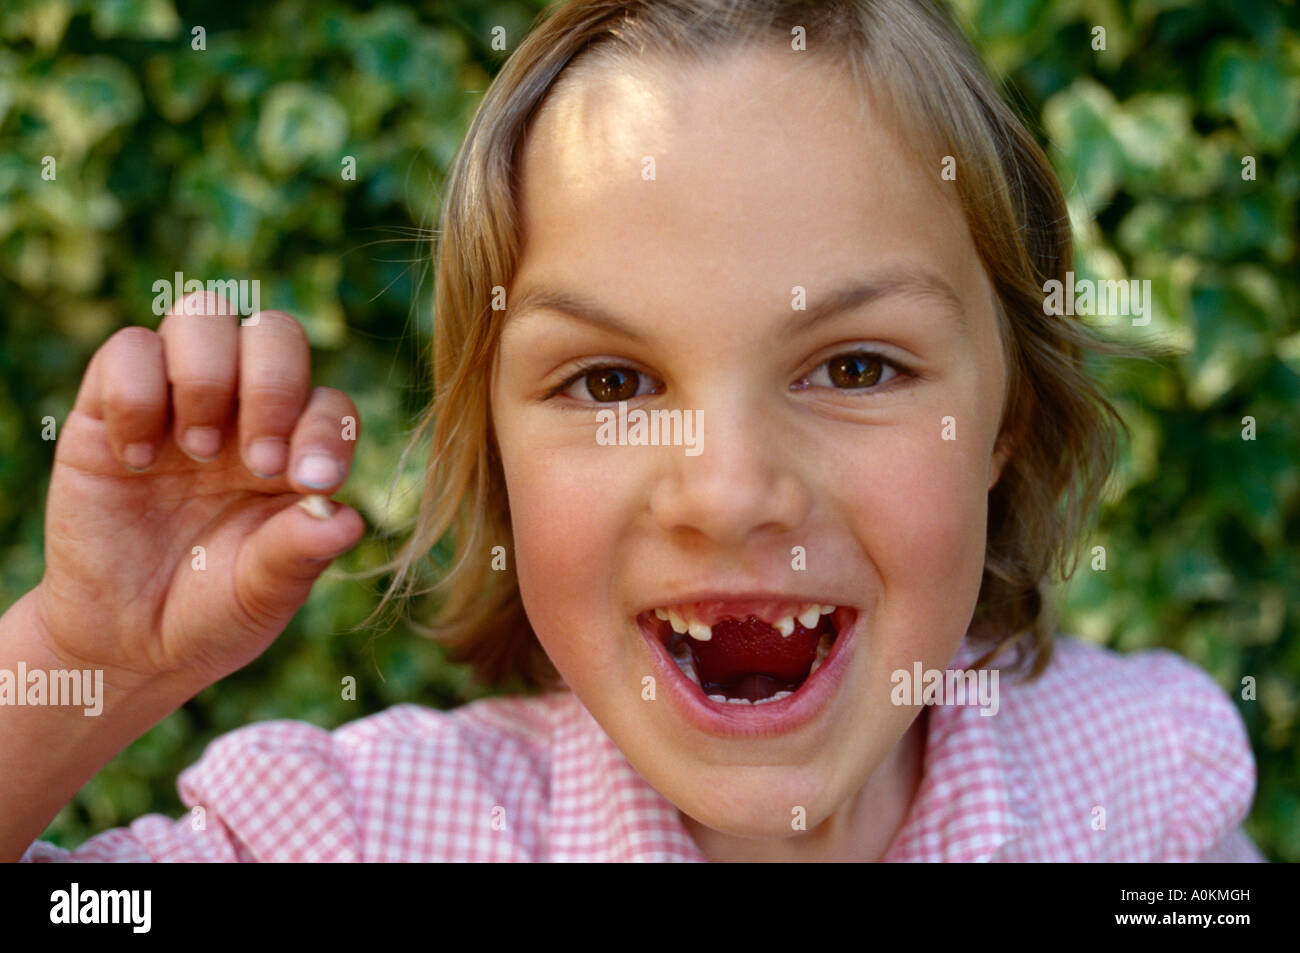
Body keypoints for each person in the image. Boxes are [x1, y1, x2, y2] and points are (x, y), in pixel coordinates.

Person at [3, 0, 1261, 862]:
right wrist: (81, 653)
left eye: (857, 364)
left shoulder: (1138, 781)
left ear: (1003, 423)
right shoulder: (368, 834)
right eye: (609, 382)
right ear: (495, 454)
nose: (727, 490)